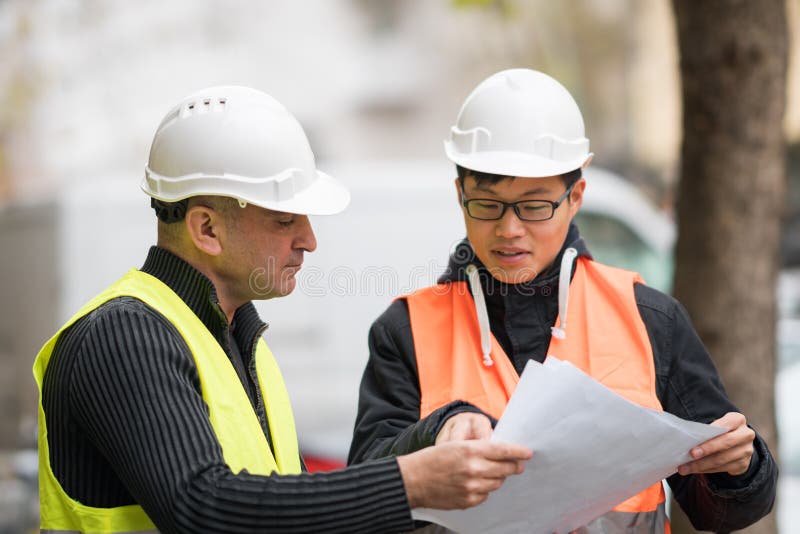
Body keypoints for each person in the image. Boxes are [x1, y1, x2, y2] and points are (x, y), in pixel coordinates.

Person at [32, 86, 533, 534]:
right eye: (284, 220)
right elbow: (202, 507)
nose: (309, 240)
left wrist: (435, 435)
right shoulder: (122, 335)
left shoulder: (236, 340)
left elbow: (290, 509)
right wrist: (410, 483)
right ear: (207, 229)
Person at [348, 68, 778, 532]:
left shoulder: (650, 319)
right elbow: (364, 499)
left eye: (534, 206)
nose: (509, 229)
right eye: (487, 205)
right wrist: (434, 433)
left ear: (575, 197)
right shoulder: (406, 330)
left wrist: (741, 468)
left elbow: (723, 509)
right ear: (460, 195)